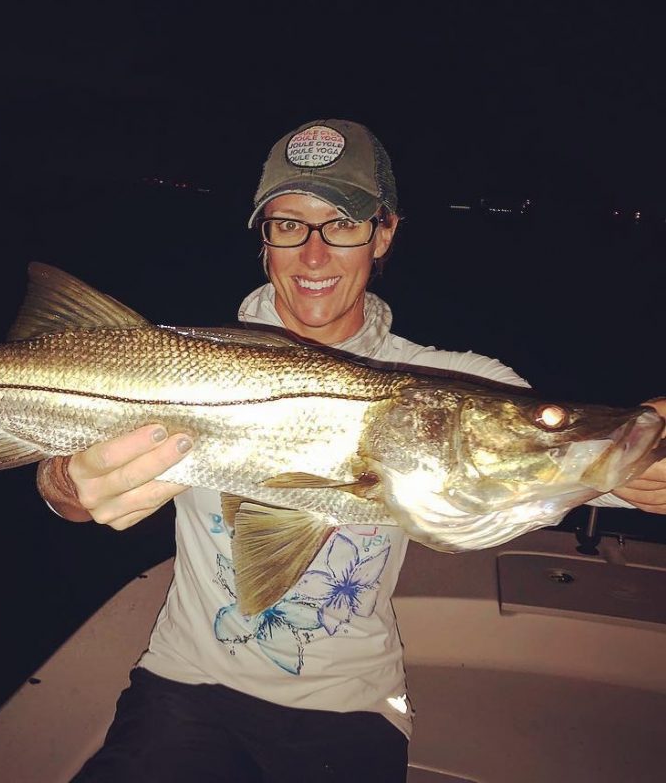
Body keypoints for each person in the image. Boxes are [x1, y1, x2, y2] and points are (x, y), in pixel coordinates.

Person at [35, 118, 666, 782]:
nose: (313, 256)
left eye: (341, 224)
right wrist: (66, 489)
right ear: (263, 239)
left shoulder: (464, 382)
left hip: (355, 701)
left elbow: (556, 457)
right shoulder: (179, 364)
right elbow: (61, 485)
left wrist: (637, 460)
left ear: (383, 232)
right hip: (182, 681)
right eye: (288, 226)